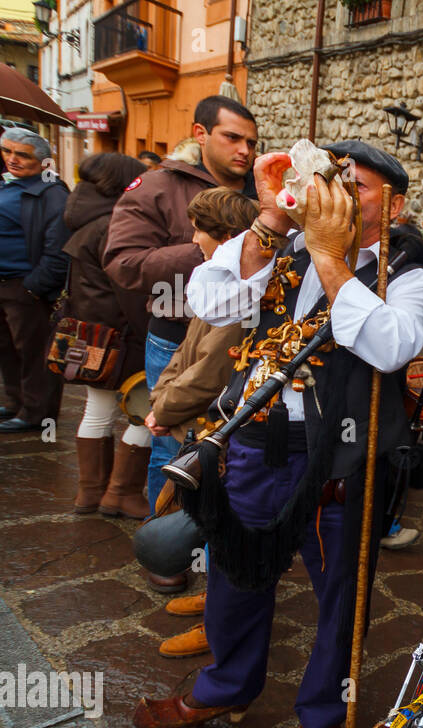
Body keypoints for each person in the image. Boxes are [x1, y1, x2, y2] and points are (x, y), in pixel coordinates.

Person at [131, 140, 423, 728]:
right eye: (332, 179)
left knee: (339, 592)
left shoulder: (413, 269)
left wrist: (332, 258)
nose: (338, 194)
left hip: (342, 459)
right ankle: (227, 687)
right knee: (237, 571)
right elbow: (213, 304)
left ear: (398, 203)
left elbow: (390, 345)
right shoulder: (281, 246)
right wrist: (270, 218)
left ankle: (324, 713)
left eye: (359, 187)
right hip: (256, 442)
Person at [104, 94, 258, 551]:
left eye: (251, 141)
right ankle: (166, 548)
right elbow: (122, 263)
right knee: (171, 446)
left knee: (226, 454)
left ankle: (215, 559)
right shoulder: (158, 186)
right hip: (176, 338)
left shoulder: (260, 191)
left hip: (246, 345)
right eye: (232, 138)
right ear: (201, 134)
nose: (244, 150)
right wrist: (211, 251)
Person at [144, 186, 259, 657]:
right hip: (195, 420)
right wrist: (161, 400)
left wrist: (165, 409)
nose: (194, 239)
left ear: (228, 236)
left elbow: (211, 372)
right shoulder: (215, 278)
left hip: (221, 429)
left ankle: (220, 627)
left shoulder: (239, 291)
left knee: (222, 523)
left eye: (200, 230)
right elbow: (185, 353)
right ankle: (215, 603)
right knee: (210, 523)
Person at [63, 153, 152, 516]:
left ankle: (90, 493)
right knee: (148, 412)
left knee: (97, 410)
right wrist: (152, 331)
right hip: (121, 335)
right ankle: (122, 493)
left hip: (92, 335)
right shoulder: (112, 223)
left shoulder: (84, 215)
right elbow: (128, 285)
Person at [0, 129, 69, 434]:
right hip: (5, 283)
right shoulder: (9, 184)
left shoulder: (52, 192)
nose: (12, 159)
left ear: (42, 162)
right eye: (7, 150)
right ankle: (16, 402)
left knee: (34, 353)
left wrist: (34, 286)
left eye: (22, 154)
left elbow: (58, 248)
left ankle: (37, 413)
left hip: (24, 286)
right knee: (8, 350)